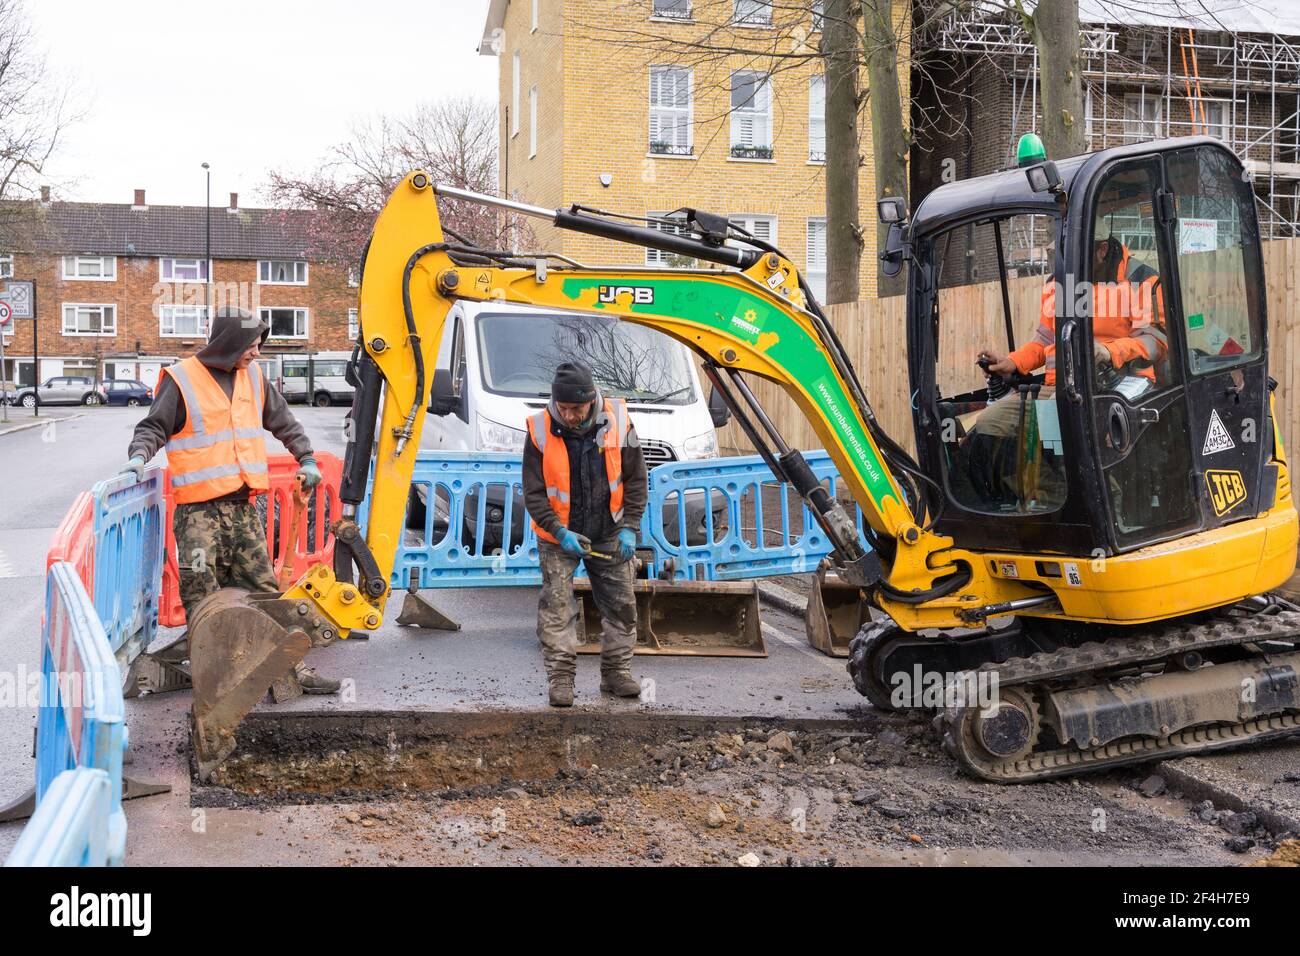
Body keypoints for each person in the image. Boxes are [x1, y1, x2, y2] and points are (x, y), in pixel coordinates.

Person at [120, 307, 339, 695]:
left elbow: (283, 421)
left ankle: (291, 670)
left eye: (258, 346)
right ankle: (216, 681)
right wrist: (139, 457)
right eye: (251, 346)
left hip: (242, 510)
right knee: (202, 595)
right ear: (229, 344)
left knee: (263, 590)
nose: (256, 353)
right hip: (198, 516)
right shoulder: (182, 379)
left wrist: (305, 457)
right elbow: (154, 426)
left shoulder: (253, 378)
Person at [523, 361, 648, 707]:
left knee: (621, 605)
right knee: (558, 608)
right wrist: (559, 532)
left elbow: (637, 478)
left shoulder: (619, 421)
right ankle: (561, 679)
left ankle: (616, 674)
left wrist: (630, 527)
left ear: (591, 400)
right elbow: (533, 492)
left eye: (576, 409)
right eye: (563, 408)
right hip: (558, 536)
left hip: (609, 532)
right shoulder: (539, 429)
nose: (570, 415)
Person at [975, 237, 1168, 439]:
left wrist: (1109, 351)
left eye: (1074, 256)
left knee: (1055, 419)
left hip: (1120, 386)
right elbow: (1045, 341)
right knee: (989, 422)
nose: (1067, 266)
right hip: (1059, 387)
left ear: (1102, 250)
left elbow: (1155, 342)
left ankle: (1059, 469)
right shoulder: (1057, 283)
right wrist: (1013, 361)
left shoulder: (1140, 280)